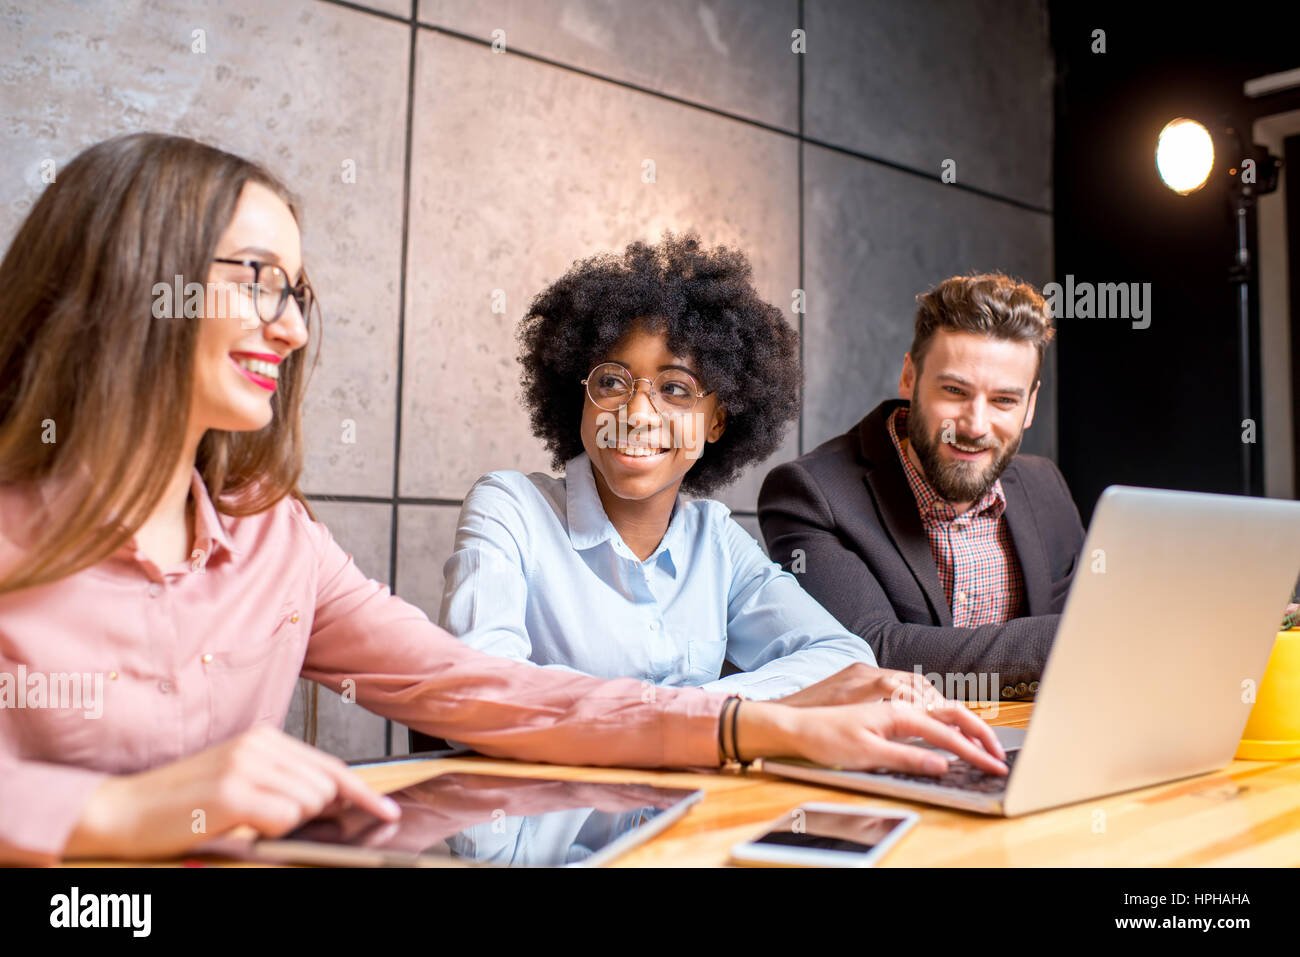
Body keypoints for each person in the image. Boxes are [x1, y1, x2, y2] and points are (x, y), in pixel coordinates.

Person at [0, 134, 1006, 865]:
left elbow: (484, 692)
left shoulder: (276, 539)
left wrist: (757, 727)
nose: (292, 330)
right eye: (259, 279)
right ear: (136, 277)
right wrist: (108, 819)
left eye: (295, 294)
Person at [441, 234, 929, 705]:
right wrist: (695, 714)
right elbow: (482, 688)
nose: (636, 413)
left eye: (675, 389)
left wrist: (694, 709)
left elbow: (844, 658)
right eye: (612, 380)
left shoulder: (714, 540)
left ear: (717, 420)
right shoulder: (509, 509)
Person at [758, 273, 1086, 699]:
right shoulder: (811, 494)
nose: (974, 426)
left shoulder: (1046, 487)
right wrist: (1083, 634)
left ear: (1030, 405)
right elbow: (871, 653)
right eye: (954, 391)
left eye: (1004, 400)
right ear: (910, 378)